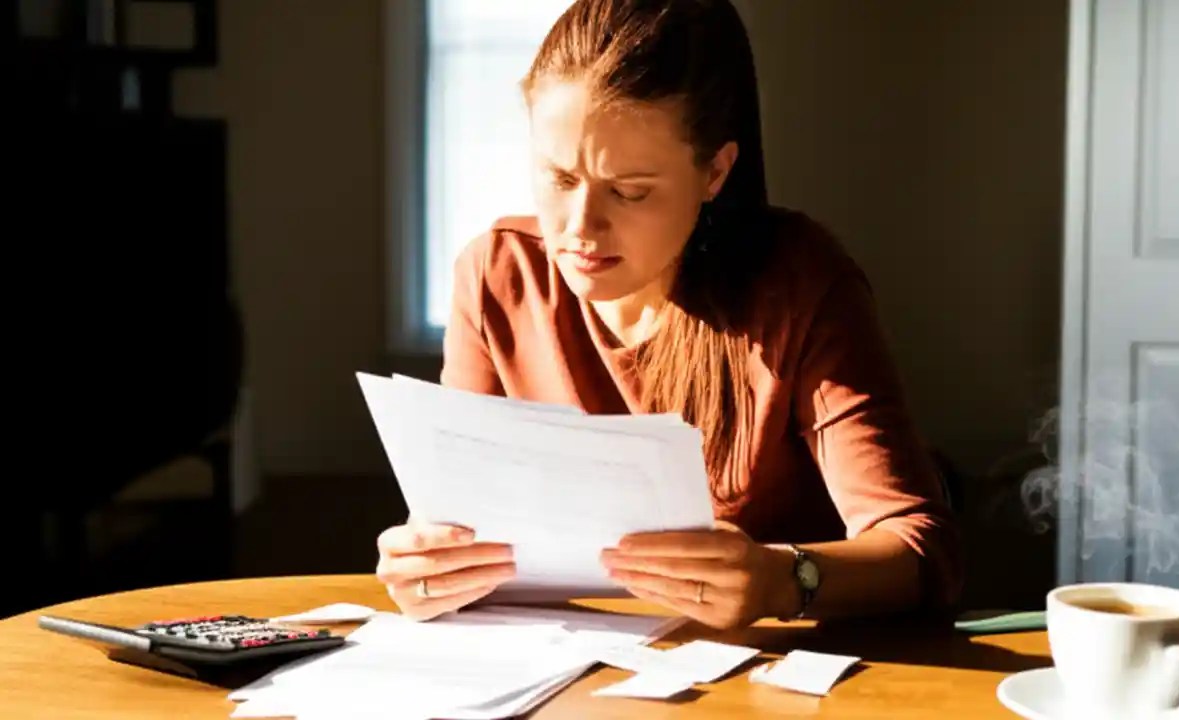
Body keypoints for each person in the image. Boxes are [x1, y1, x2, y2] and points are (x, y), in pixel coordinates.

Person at [376, 0, 961, 630]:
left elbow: (923, 551)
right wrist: (429, 566)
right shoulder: (499, 276)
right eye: (558, 178)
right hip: (575, 670)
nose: (580, 229)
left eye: (629, 191)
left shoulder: (800, 286)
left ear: (715, 171)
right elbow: (457, 527)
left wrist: (782, 580)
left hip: (773, 675)